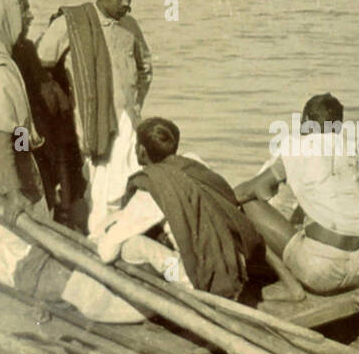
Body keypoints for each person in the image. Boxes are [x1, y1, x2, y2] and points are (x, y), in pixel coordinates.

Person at [0, 0, 143, 323]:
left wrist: (31, 159)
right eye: (20, 12)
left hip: (6, 167)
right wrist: (15, 191)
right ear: (2, 19)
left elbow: (15, 128)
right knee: (21, 252)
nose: (28, 17)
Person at [27, 0, 152, 234]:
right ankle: (99, 240)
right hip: (89, 125)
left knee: (125, 184)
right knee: (96, 189)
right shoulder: (71, 24)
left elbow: (145, 69)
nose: (127, 3)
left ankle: (116, 238)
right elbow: (41, 62)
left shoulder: (130, 26)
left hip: (128, 120)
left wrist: (134, 102)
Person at [95, 117, 266, 300]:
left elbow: (106, 254)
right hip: (237, 266)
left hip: (200, 282)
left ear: (142, 150)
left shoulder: (152, 190)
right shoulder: (194, 163)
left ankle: (174, 288)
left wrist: (102, 237)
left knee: (130, 245)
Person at [234, 93, 359, 301]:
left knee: (249, 205)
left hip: (322, 272)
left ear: (307, 121)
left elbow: (251, 191)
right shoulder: (349, 149)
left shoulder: (299, 147)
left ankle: (289, 283)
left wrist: (217, 195)